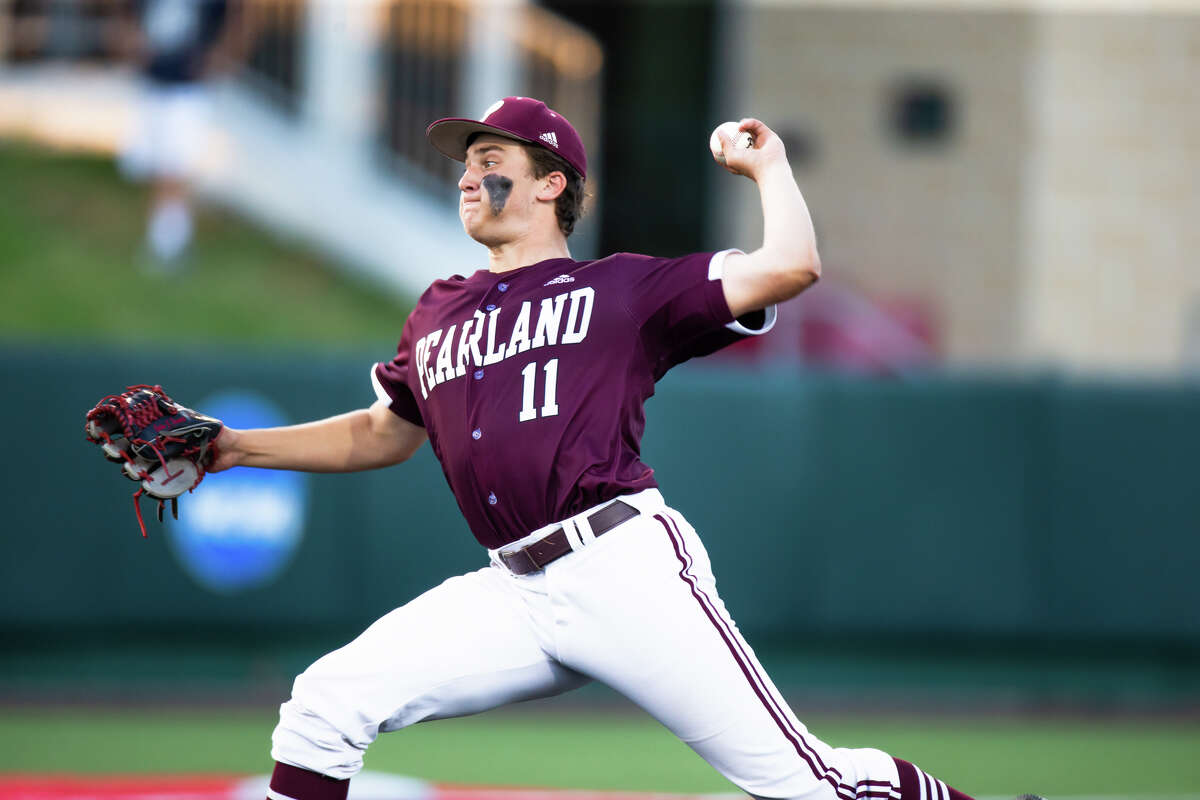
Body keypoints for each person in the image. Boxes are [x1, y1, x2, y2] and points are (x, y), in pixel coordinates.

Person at [205, 97, 1026, 800]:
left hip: (621, 566)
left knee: (805, 784)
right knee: (324, 705)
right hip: (514, 588)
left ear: (550, 183)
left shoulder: (621, 291)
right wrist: (233, 447)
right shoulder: (437, 312)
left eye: (488, 159)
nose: (464, 175)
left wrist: (769, 167)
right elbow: (384, 432)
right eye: (464, 161)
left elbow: (791, 266)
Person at [118, 0, 245, 268]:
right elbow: (130, 13)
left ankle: (169, 245)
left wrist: (225, 54)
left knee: (175, 165)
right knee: (158, 165)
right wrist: (131, 40)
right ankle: (165, 239)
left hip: (189, 88)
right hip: (154, 81)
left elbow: (238, 16)